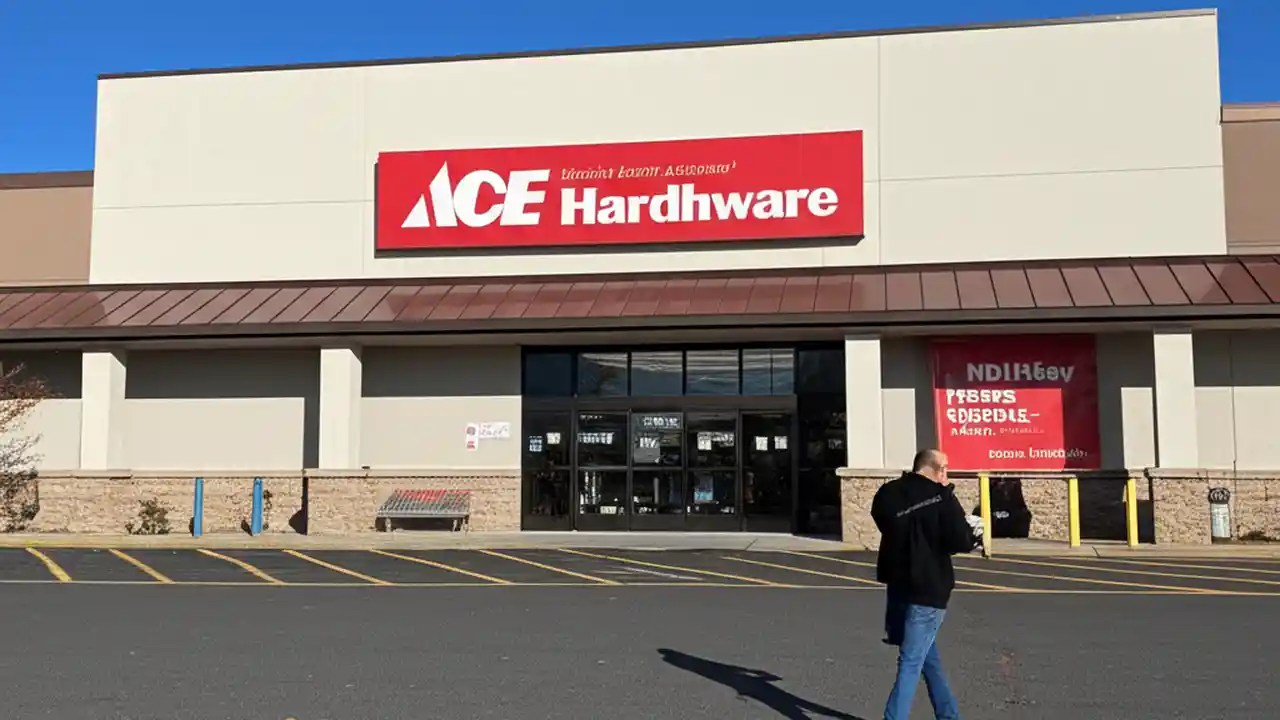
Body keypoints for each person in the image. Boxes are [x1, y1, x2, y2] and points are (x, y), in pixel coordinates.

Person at [870, 449, 981, 720]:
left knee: (925, 656)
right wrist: (974, 534)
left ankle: (948, 714)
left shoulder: (888, 493)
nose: (948, 475)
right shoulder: (943, 499)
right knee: (911, 660)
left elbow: (882, 520)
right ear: (937, 469)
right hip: (928, 588)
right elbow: (960, 541)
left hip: (897, 583)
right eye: (946, 469)